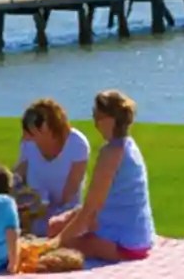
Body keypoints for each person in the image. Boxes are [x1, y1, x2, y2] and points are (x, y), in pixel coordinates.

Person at [48, 90, 155, 263]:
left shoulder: (112, 153)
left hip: (125, 243)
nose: (95, 122)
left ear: (110, 120)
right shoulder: (127, 146)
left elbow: (90, 208)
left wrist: (57, 242)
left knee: (61, 244)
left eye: (97, 115)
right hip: (135, 235)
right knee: (55, 225)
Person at [15, 98, 90, 236]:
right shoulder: (28, 143)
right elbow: (19, 173)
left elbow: (71, 190)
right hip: (32, 213)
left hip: (63, 217)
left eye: (30, 131)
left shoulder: (77, 144)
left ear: (46, 128)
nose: (25, 136)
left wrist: (53, 216)